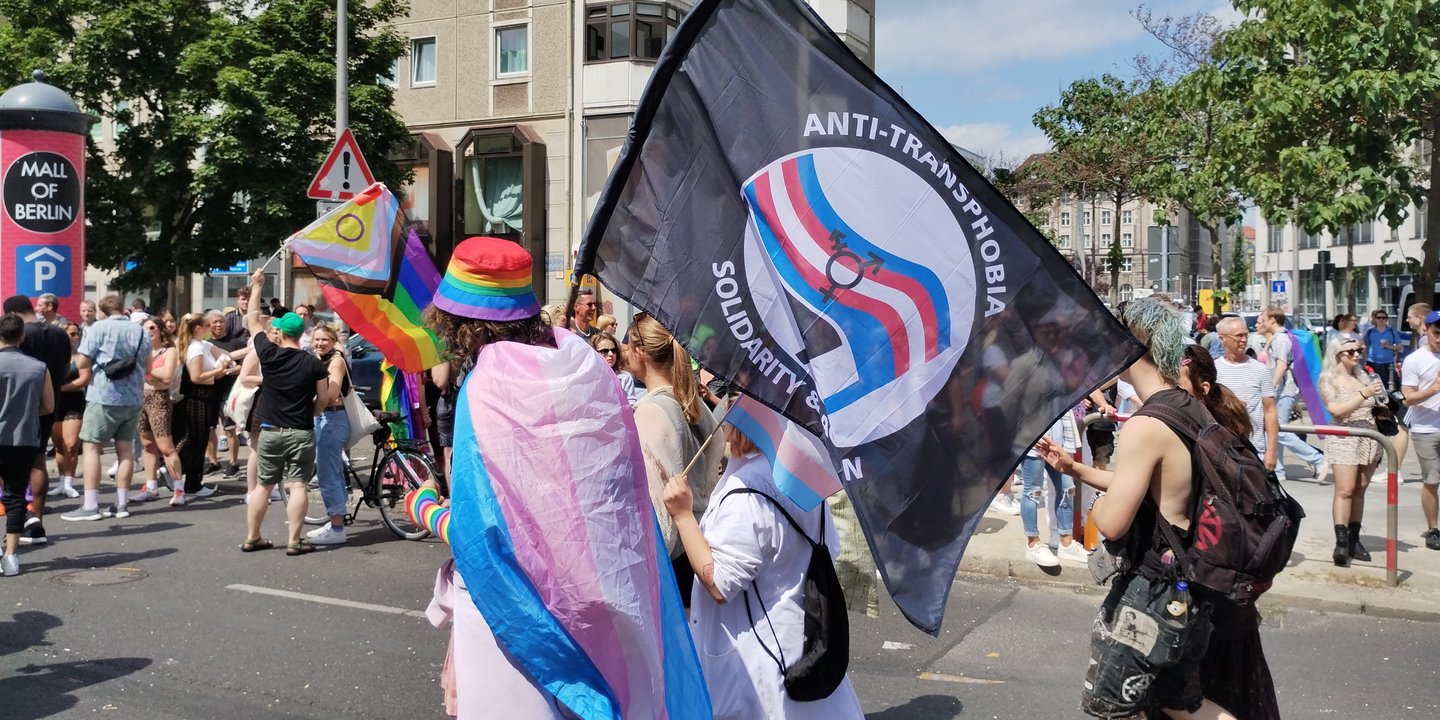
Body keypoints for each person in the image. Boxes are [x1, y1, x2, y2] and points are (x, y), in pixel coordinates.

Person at [405, 236, 699, 718]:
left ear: (463, 326)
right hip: (601, 593)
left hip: (522, 618)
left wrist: (425, 508)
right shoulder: (585, 366)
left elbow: (480, 534)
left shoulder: (486, 387)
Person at [1037, 297, 1236, 719]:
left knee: (1109, 709)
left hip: (1151, 593)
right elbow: (1159, 487)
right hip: (1189, 583)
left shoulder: (1146, 424)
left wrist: (1096, 508)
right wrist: (1074, 468)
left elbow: (1112, 523)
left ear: (1130, 347)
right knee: (1181, 707)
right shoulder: (1188, 408)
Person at [661, 423, 864, 719]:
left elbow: (719, 583)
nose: (725, 414)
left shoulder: (747, 491)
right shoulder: (799, 472)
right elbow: (829, 547)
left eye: (732, 404)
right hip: (803, 645)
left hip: (761, 666)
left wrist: (682, 515)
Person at [627, 311, 723, 603]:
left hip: (672, 558)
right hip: (701, 540)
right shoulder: (694, 403)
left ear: (640, 352)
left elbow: (657, 506)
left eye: (628, 345)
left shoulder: (650, 412)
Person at [242, 270, 329, 556]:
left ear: (281, 333)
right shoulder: (314, 363)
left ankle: (253, 537)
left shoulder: (268, 354)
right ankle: (294, 541)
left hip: (270, 430)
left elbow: (252, 320)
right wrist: (313, 411)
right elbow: (324, 398)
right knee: (298, 485)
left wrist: (257, 286)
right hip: (301, 430)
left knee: (263, 486)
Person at [60, 295, 149, 523]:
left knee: (91, 448)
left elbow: (82, 362)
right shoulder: (140, 331)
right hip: (133, 397)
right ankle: (121, 504)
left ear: (102, 311)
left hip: (103, 395)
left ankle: (90, 505)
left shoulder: (99, 328)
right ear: (123, 308)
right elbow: (147, 364)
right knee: (126, 450)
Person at [4, 296, 71, 545]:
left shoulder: (22, 336)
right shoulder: (60, 334)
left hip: (17, 408)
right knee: (39, 461)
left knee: (8, 465)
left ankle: (20, 517)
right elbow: (66, 367)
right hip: (49, 404)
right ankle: (37, 520)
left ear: (12, 315)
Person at [1319, 337, 1384, 566]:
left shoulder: (1363, 376)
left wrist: (1383, 407)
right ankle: (1341, 543)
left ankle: (1354, 539)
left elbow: (1373, 404)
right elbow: (1335, 410)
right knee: (1345, 490)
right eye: (1350, 352)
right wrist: (1364, 394)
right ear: (1337, 355)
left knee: (1360, 490)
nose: (1357, 355)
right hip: (1344, 438)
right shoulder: (1328, 379)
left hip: (1370, 437)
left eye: (1359, 350)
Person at [0, 313, 54, 576]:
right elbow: (48, 406)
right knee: (15, 496)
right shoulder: (38, 367)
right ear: (21, 336)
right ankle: (11, 555)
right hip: (23, 438)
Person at [1256, 307, 1325, 480]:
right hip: (1283, 390)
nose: (1261, 322)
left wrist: (1270, 388)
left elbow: (1281, 366)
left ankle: (1318, 458)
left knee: (1278, 430)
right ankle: (1277, 471)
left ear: (1272, 320)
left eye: (1263, 319)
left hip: (1285, 390)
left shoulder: (1281, 339)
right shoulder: (1279, 337)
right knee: (1274, 429)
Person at [173, 313, 232, 505]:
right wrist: (219, 370)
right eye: (207, 325)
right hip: (197, 397)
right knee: (197, 440)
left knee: (198, 438)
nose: (211, 328)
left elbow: (228, 354)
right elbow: (196, 376)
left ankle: (188, 478)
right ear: (198, 328)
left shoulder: (201, 344)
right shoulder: (195, 348)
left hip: (204, 397)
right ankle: (190, 480)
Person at [304, 322, 351, 546]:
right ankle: (336, 519)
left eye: (325, 339)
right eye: (317, 339)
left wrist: (309, 406)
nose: (320, 343)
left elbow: (331, 395)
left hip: (332, 418)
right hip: (326, 418)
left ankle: (337, 528)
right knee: (333, 472)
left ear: (333, 341)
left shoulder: (336, 361)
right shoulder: (318, 359)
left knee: (328, 474)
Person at [1214, 316, 1279, 471]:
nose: (1243, 340)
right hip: (1222, 448)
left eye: (1245, 335)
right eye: (1238, 336)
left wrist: (1271, 451)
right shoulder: (1213, 369)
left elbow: (1270, 411)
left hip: (1254, 449)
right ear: (1222, 339)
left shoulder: (1260, 370)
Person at [130, 318, 183, 504]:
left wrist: (146, 369)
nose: (149, 331)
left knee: (166, 447)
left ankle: (179, 489)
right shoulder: (141, 352)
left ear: (160, 330)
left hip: (159, 399)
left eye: (152, 327)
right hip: (140, 398)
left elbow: (167, 377)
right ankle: (151, 486)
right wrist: (153, 372)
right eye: (145, 329)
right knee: (147, 444)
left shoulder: (169, 351)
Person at [1402, 310, 1440, 552]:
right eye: (1437, 333)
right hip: (1426, 429)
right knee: (1432, 481)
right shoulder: (1414, 360)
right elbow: (1407, 398)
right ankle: (1433, 529)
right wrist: (1434, 389)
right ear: (1427, 330)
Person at [48, 321, 89, 500]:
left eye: (77, 333)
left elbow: (84, 379)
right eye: (72, 334)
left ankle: (69, 483)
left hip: (74, 402)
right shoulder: (52, 356)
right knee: (59, 445)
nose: (75, 337)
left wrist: (62, 388)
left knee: (71, 444)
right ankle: (61, 481)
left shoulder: (81, 356)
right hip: (55, 402)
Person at [206, 310, 250, 478]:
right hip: (210, 392)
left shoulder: (236, 343)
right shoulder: (206, 344)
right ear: (208, 325)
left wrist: (225, 372)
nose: (218, 325)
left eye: (221, 321)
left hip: (229, 392)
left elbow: (243, 366)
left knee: (230, 429)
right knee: (210, 428)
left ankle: (233, 462)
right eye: (214, 322)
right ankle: (213, 462)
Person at [589, 331, 640, 405]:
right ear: (594, 353)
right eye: (604, 351)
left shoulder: (625, 377)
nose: (611, 354)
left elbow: (631, 403)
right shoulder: (588, 377)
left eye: (614, 350)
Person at [1364, 309, 1402, 392]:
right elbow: (1365, 347)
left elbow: (1399, 347)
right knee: (1373, 388)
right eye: (1378, 318)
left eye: (1383, 318)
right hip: (1372, 363)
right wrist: (1364, 361)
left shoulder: (1392, 331)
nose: (1381, 319)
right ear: (1375, 319)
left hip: (1388, 364)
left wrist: (1388, 346)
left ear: (1387, 319)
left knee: (1389, 388)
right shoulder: (1370, 332)